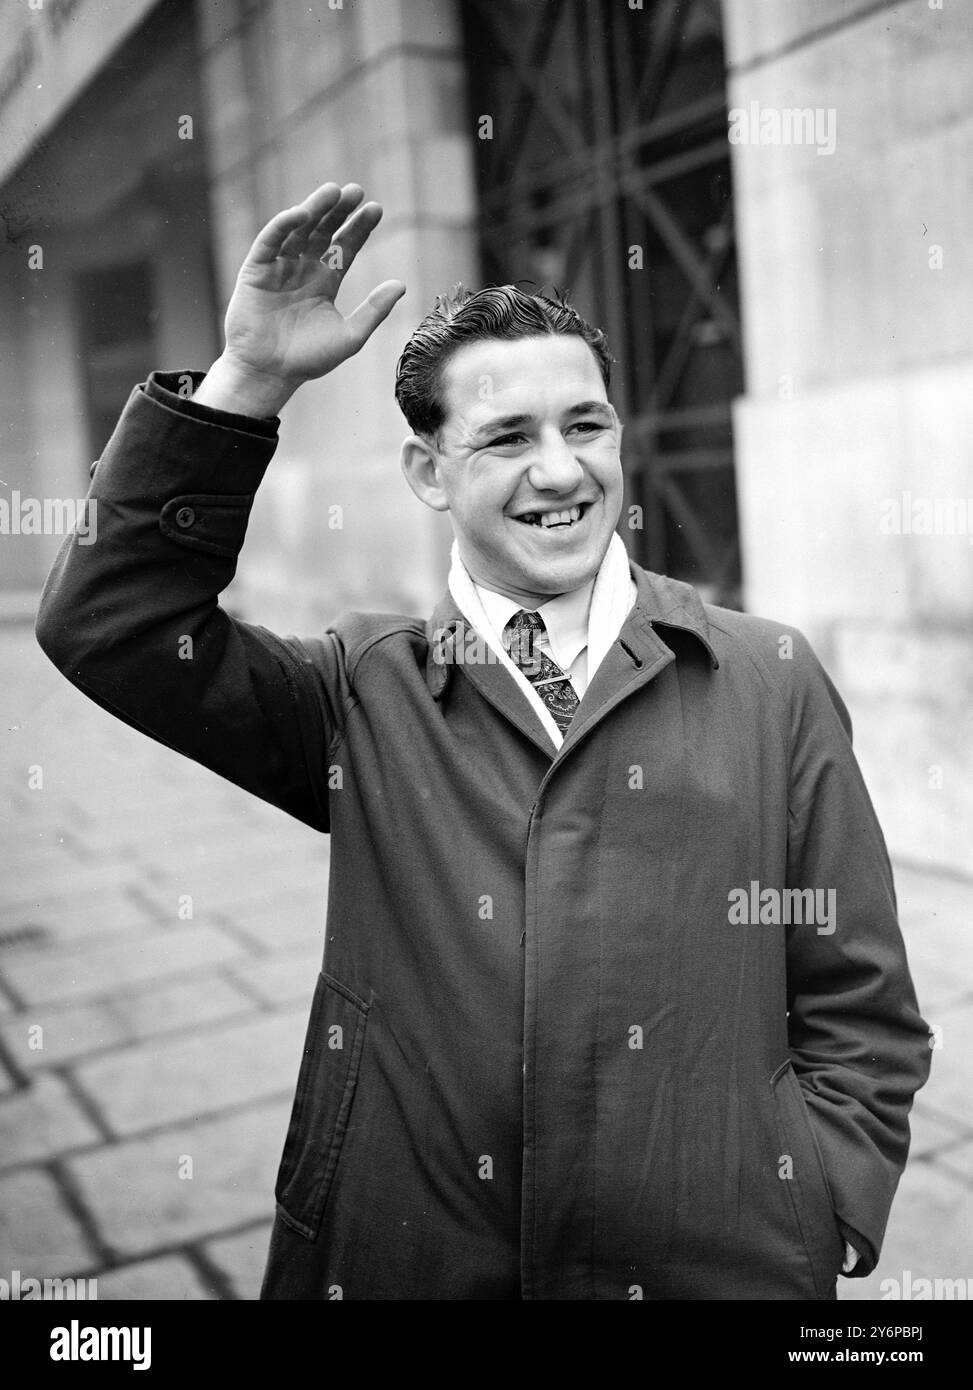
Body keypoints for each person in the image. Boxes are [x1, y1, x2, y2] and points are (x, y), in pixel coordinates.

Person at [36, 181, 931, 1300]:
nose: (560, 471)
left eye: (585, 425)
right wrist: (250, 382)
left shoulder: (767, 672)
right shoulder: (362, 689)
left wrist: (828, 1200)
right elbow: (110, 625)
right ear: (428, 472)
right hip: (410, 1255)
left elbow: (858, 995)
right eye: (507, 437)